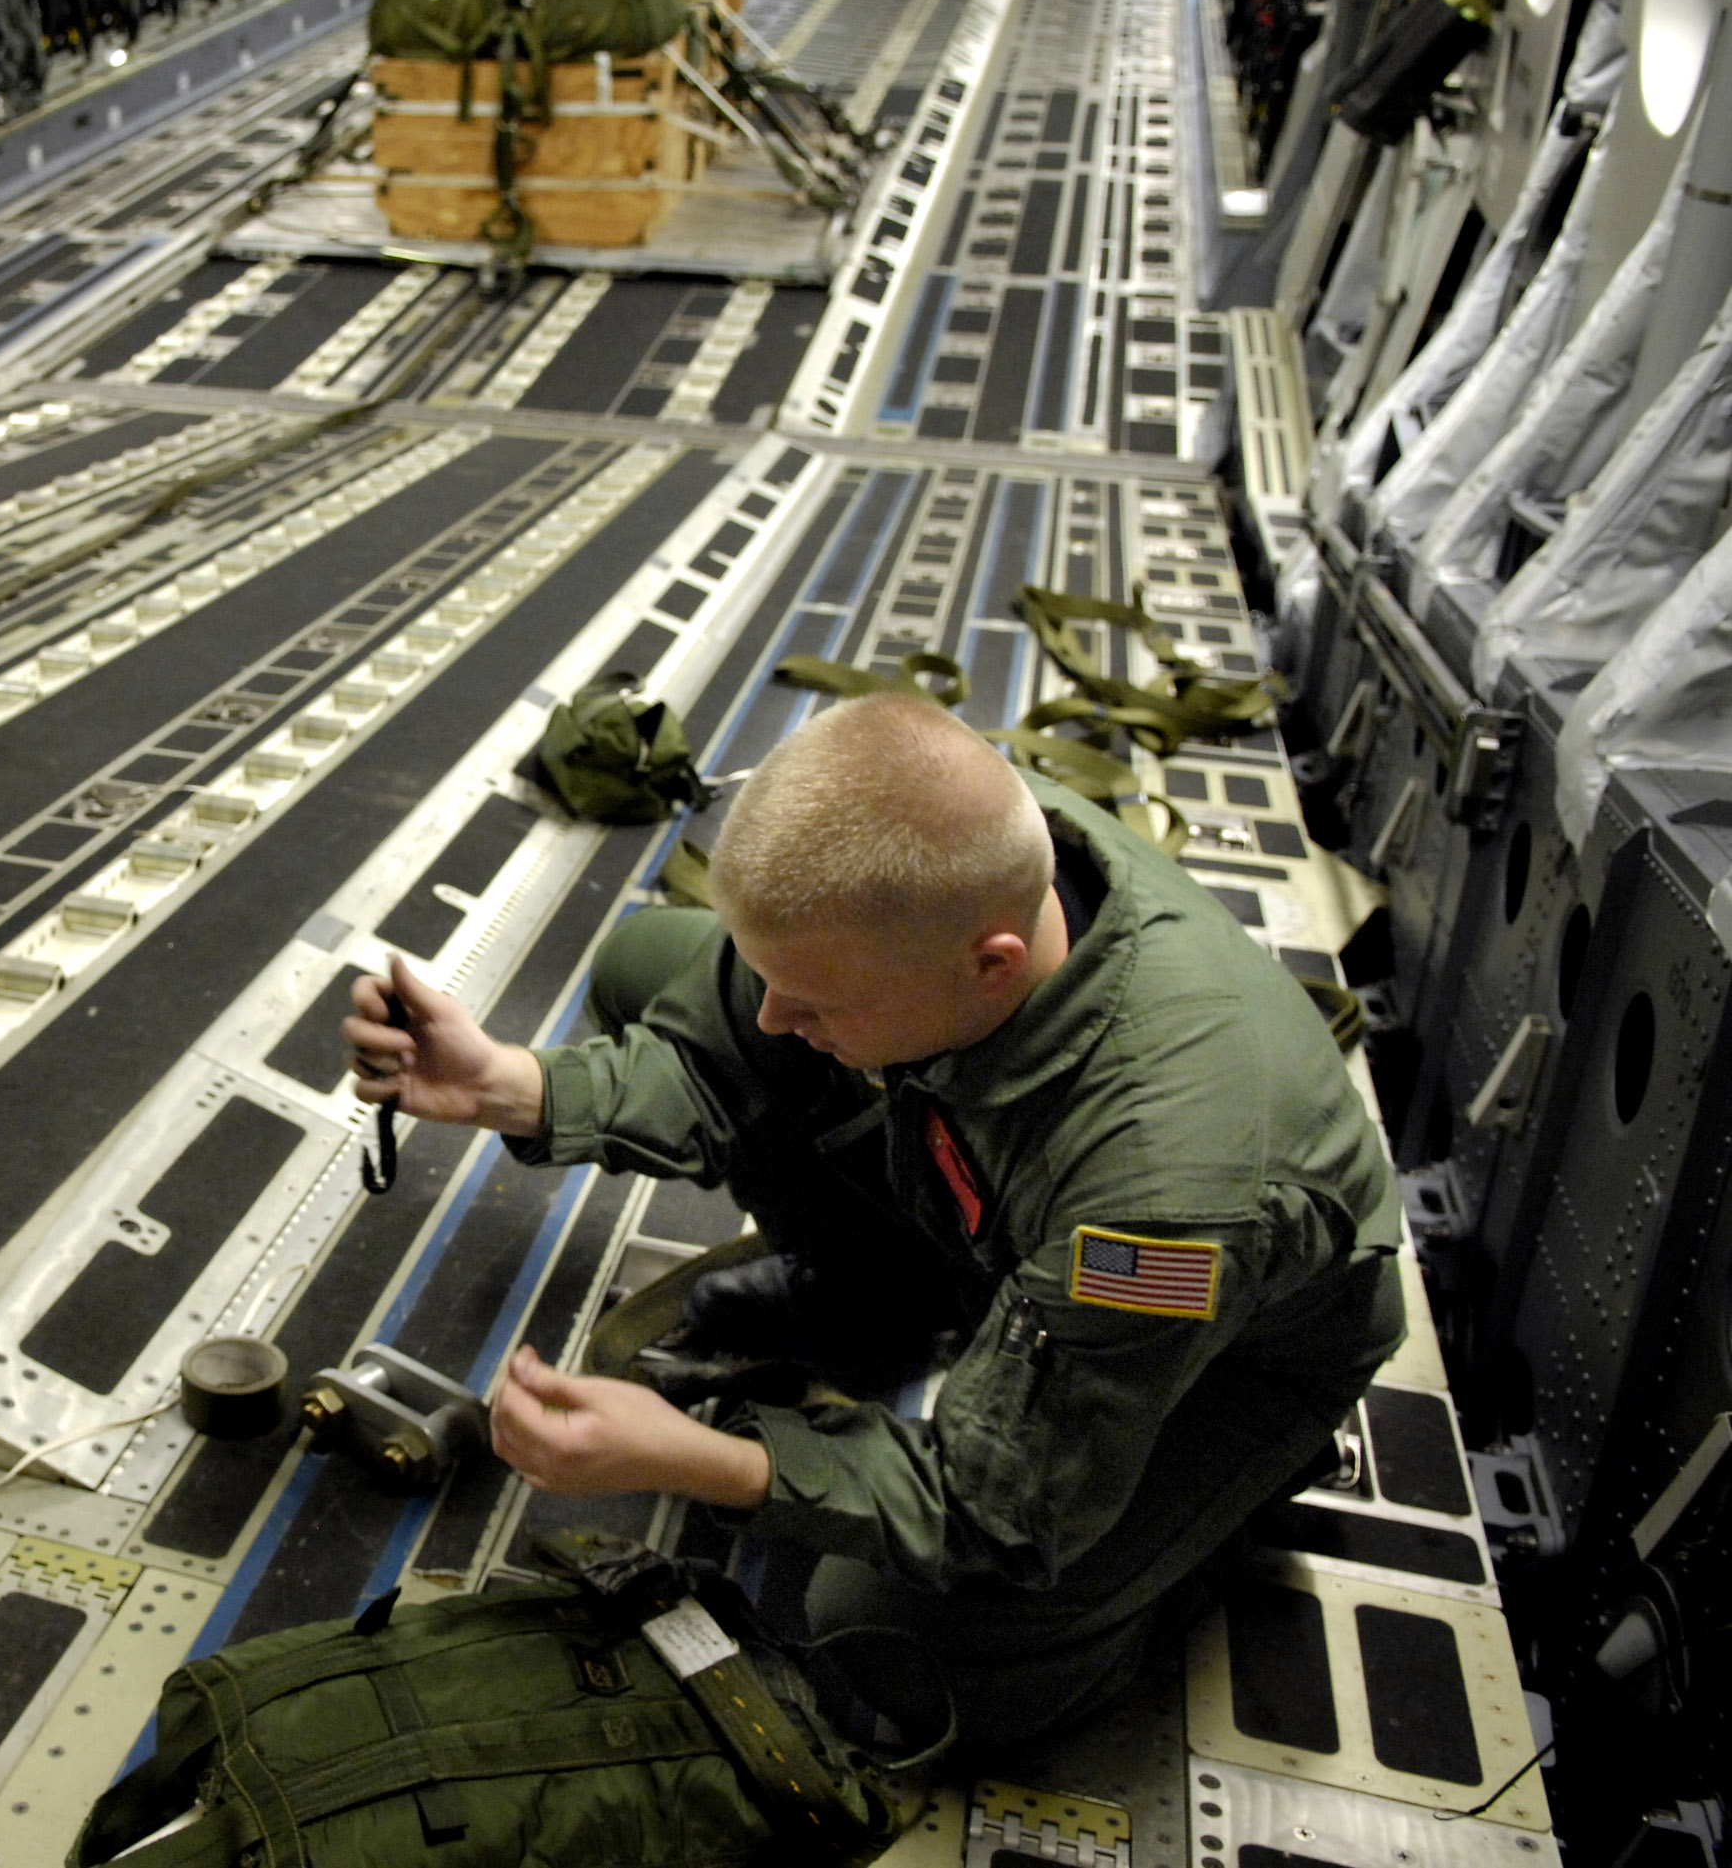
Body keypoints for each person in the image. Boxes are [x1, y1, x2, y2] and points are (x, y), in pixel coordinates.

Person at [342, 691, 1403, 1744]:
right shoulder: (950, 859)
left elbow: (992, 1510)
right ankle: (891, 1298)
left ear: (990, 964)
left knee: (886, 1642)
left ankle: (1169, 1564)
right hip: (1010, 1203)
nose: (774, 1017)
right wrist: (505, 1083)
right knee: (645, 968)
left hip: (1213, 1355)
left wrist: (700, 1458)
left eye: (813, 1001)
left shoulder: (1159, 1211)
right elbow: (724, 1043)